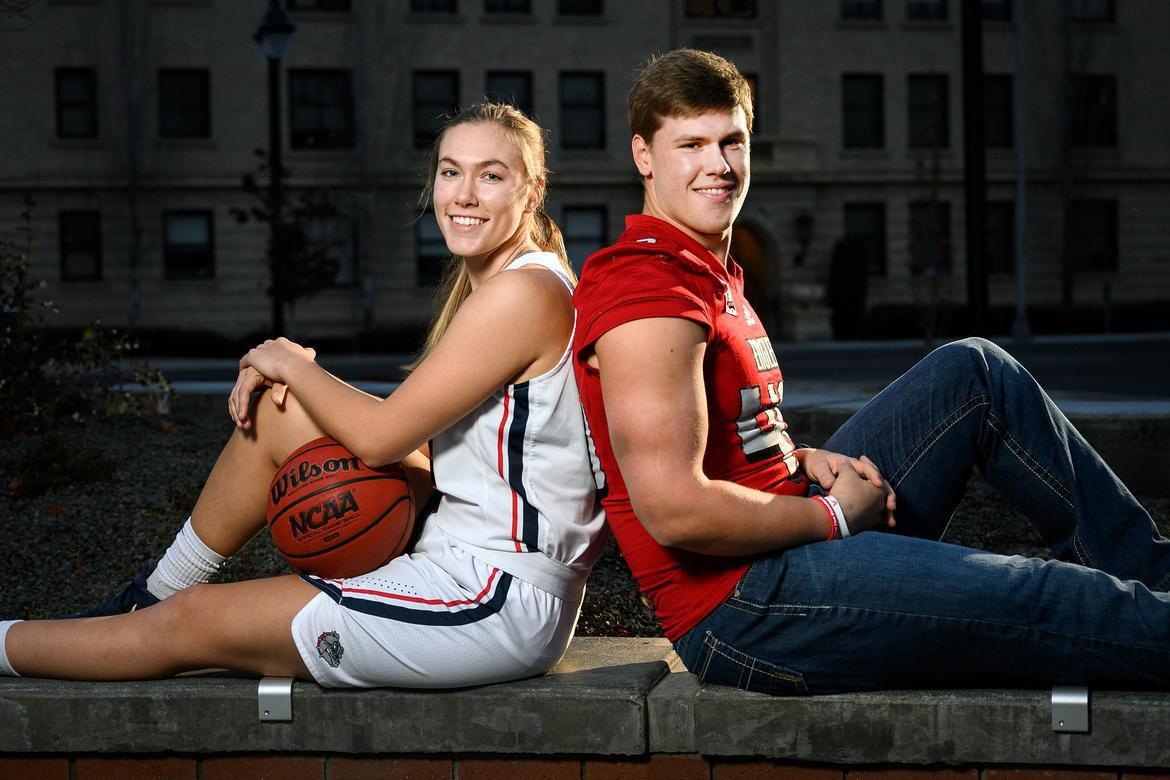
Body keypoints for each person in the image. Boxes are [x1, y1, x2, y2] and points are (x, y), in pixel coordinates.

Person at [571, 48, 1170, 695]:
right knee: (1042, 594)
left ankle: (1155, 574)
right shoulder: (648, 289)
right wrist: (832, 516)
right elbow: (676, 512)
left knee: (974, 371)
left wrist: (801, 458)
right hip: (745, 608)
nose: (718, 165)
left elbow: (720, 432)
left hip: (788, 535)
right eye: (690, 144)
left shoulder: (704, 270)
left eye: (731, 141)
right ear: (644, 155)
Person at [0, 101, 606, 688]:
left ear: (532, 192)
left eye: (490, 176)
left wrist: (290, 360)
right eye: (451, 173)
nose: (464, 195)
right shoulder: (512, 284)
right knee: (278, 409)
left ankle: (28, 639)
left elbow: (383, 437)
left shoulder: (521, 294)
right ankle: (151, 594)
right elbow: (423, 433)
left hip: (496, 598)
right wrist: (295, 380)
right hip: (457, 542)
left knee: (193, 622)